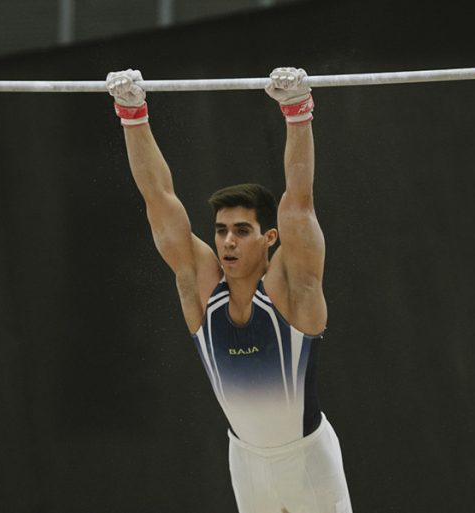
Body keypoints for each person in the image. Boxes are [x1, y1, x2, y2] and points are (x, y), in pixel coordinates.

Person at [107, 67, 353, 513]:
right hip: (245, 463)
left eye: (242, 230)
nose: (227, 242)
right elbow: (159, 199)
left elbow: (299, 201)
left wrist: (298, 112)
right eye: (220, 231)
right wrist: (132, 113)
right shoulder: (203, 292)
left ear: (270, 238)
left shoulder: (292, 292)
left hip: (308, 465)